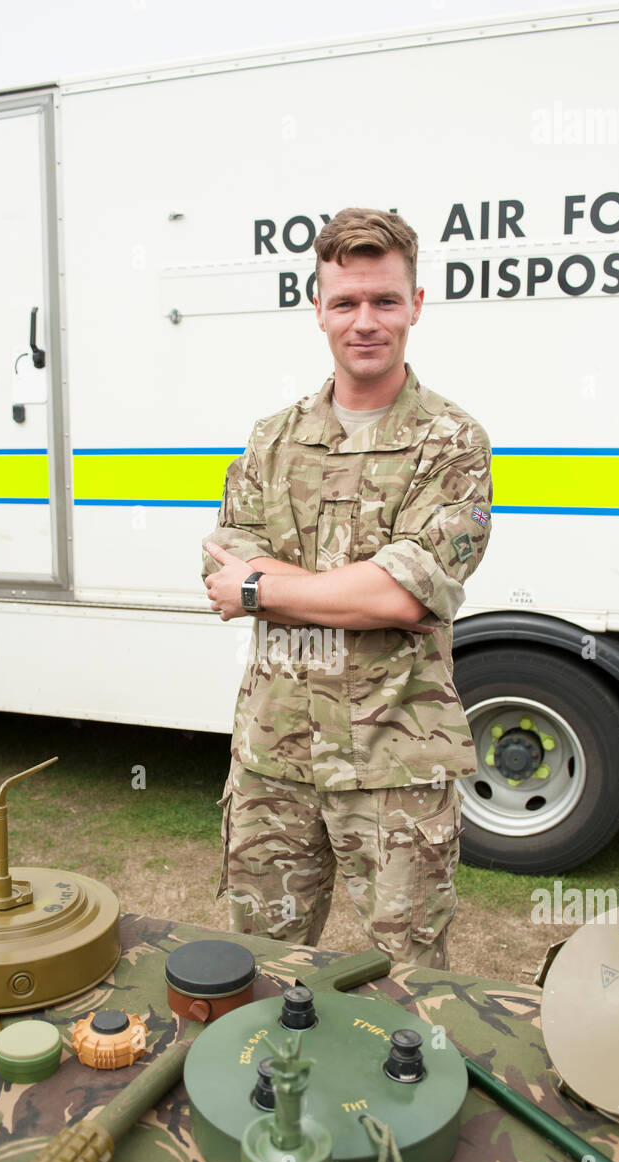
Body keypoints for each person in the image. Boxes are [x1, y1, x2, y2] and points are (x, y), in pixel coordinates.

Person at [202, 207, 492, 969]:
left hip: (395, 763)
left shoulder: (452, 442)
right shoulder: (270, 439)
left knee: (409, 983)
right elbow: (221, 563)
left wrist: (265, 589)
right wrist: (360, 586)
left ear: (416, 305)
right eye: (346, 302)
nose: (365, 322)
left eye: (384, 301)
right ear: (319, 310)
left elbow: (404, 596)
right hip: (274, 758)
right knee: (258, 966)